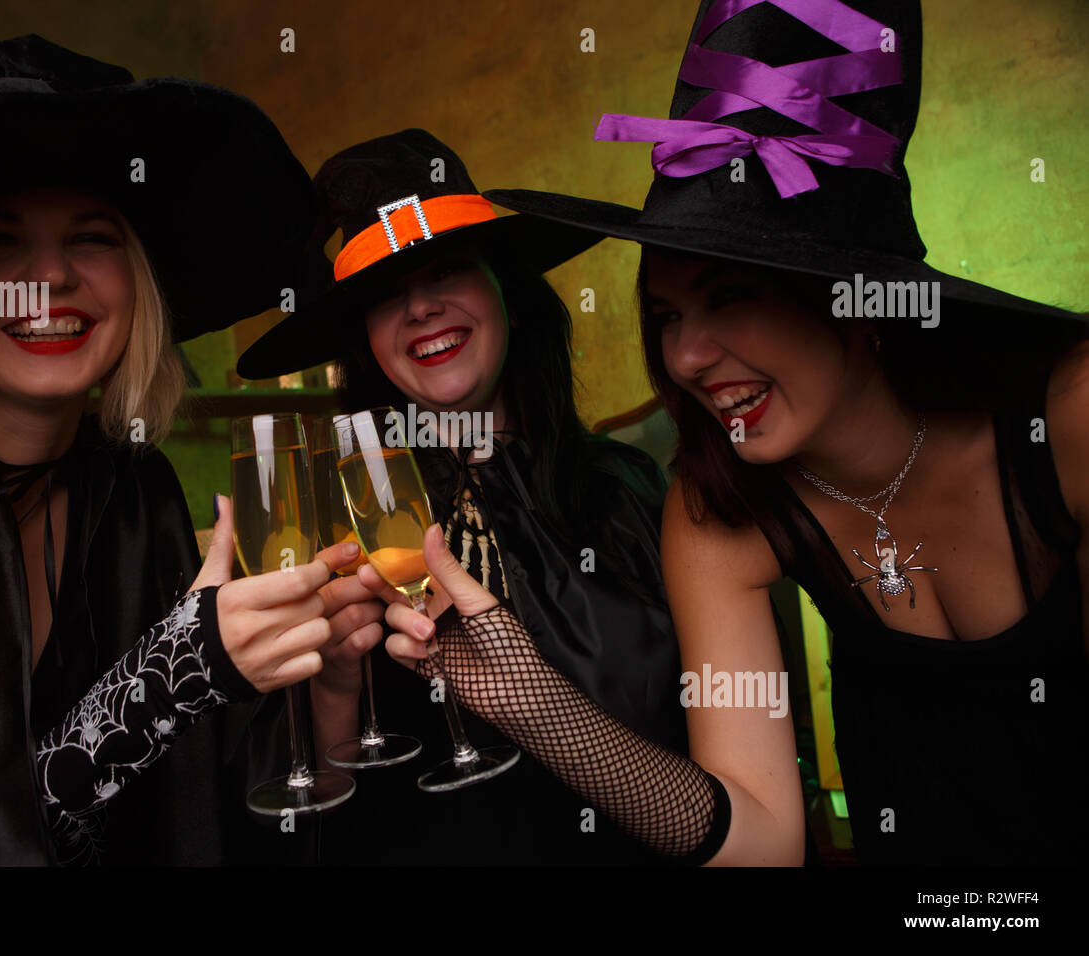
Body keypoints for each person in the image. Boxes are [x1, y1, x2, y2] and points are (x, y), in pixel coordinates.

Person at [404, 0, 1089, 865]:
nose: (686, 355)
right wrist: (533, 702)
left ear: (858, 296)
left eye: (730, 296)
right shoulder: (716, 502)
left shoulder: (1069, 417)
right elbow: (762, 838)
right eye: (665, 313)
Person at [0, 35, 365, 865]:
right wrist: (169, 679)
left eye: (92, 238)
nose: (49, 276)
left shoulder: (135, 489)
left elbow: (223, 809)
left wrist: (334, 685)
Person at [238, 130, 698, 864]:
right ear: (366, 342)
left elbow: (736, 778)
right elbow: (299, 822)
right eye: (385, 295)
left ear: (507, 294)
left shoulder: (636, 494)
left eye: (445, 271)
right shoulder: (336, 530)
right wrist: (333, 684)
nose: (420, 307)